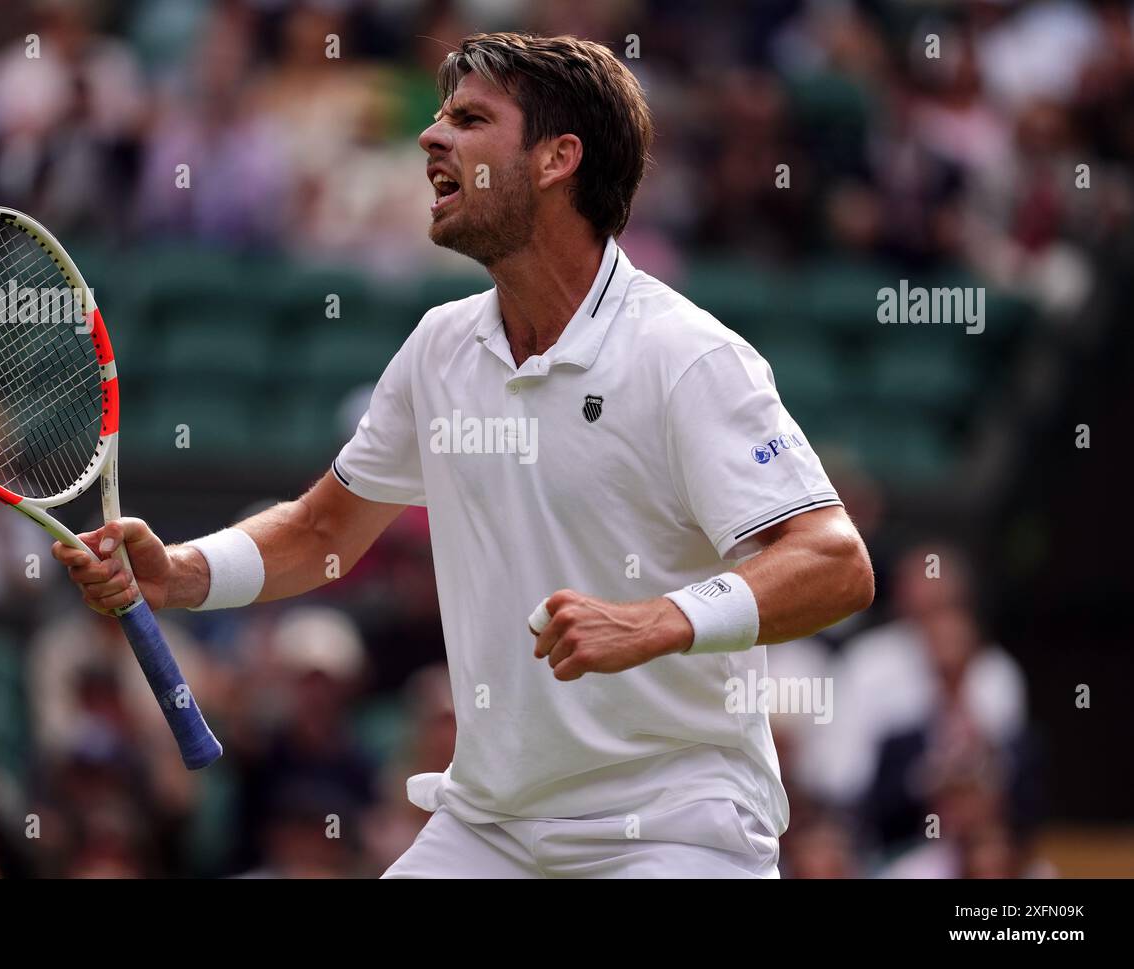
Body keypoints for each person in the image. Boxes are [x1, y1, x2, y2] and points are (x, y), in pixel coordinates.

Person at [53, 32, 873, 878]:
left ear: (558, 159)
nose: (430, 136)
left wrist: (658, 620)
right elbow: (323, 528)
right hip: (491, 826)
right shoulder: (440, 347)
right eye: (440, 116)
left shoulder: (686, 357)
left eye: (470, 119)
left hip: (674, 825)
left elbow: (834, 563)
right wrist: (181, 571)